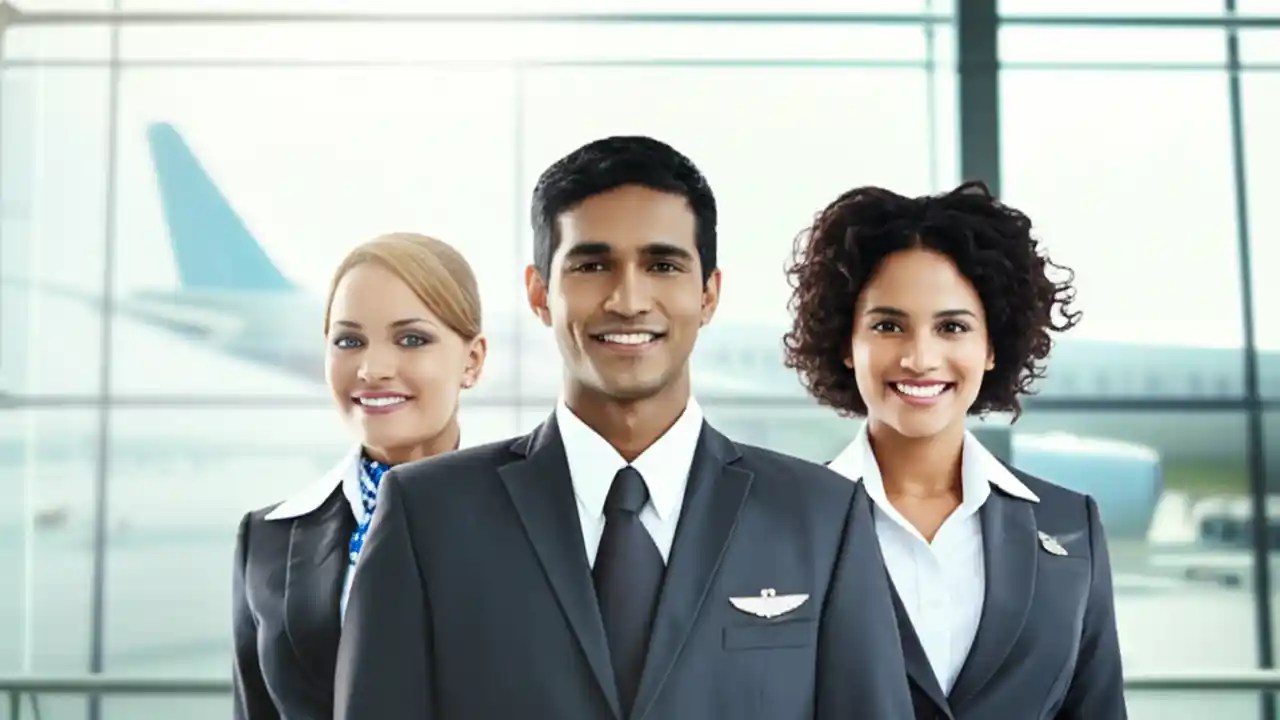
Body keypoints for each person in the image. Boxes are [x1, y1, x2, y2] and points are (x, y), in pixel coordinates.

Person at [334, 136, 913, 719]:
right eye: (592, 265)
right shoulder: (426, 514)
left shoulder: (821, 519)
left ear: (708, 294)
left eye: (662, 265)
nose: (628, 299)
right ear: (540, 293)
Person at [783, 181, 1125, 719]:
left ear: (991, 346)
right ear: (847, 343)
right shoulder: (782, 526)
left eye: (952, 327)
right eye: (888, 325)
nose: (920, 357)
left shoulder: (1070, 526)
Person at [231, 233, 487, 719]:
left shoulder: (531, 525)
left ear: (471, 362)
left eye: (411, 339)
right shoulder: (268, 538)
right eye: (349, 341)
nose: (372, 369)